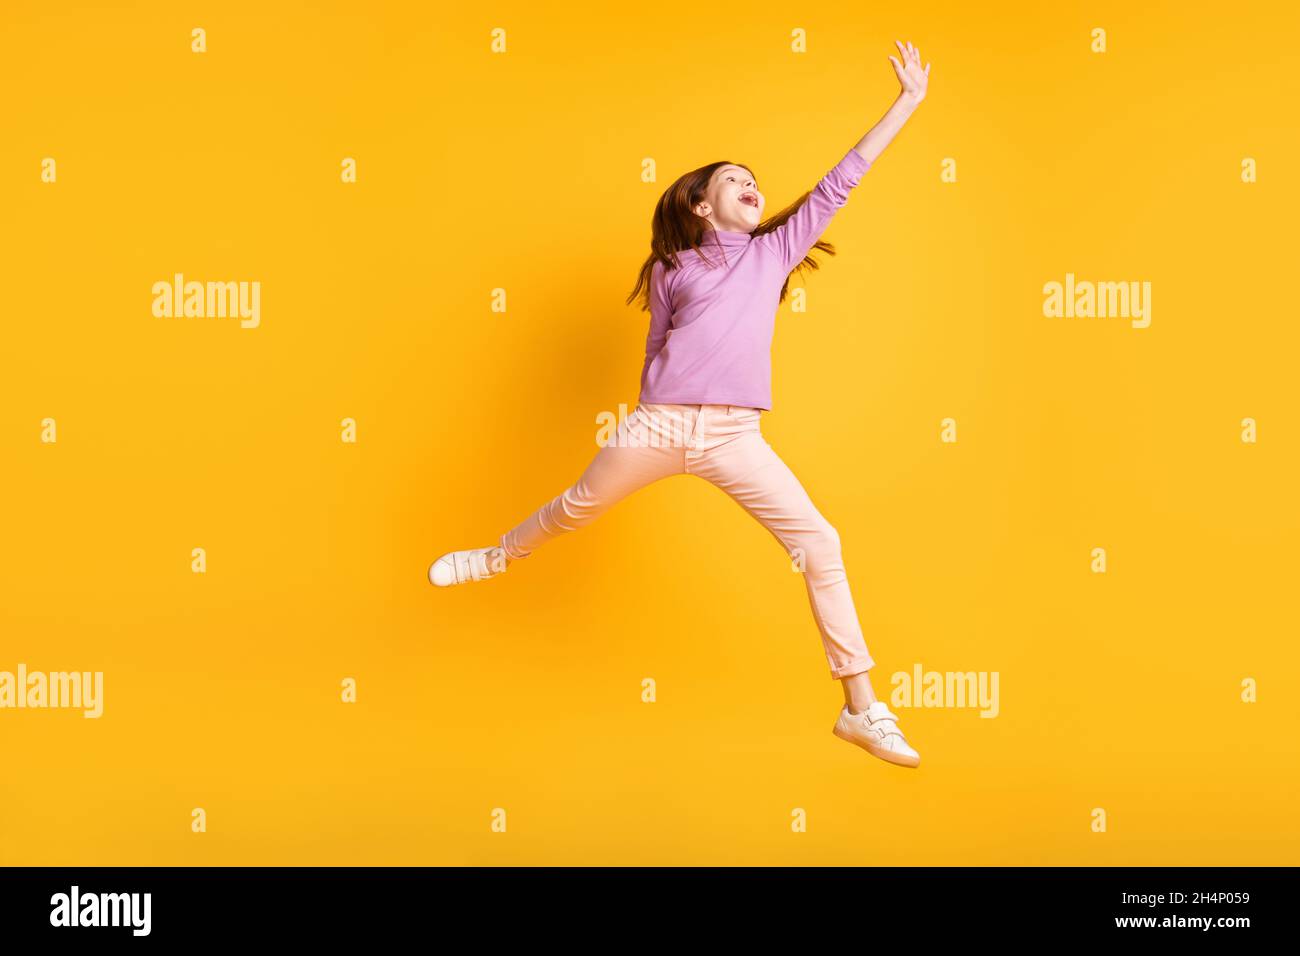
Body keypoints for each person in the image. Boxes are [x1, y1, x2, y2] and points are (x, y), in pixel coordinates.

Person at [430, 40, 932, 769]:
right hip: (659, 426)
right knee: (574, 507)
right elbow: (655, 345)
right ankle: (495, 557)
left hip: (735, 436)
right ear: (701, 204)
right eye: (735, 180)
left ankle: (863, 710)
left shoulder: (774, 250)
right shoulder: (672, 268)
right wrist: (649, 418)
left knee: (820, 543)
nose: (752, 185)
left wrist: (907, 103)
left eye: (755, 180)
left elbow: (840, 180)